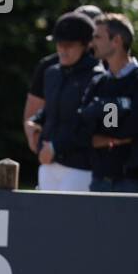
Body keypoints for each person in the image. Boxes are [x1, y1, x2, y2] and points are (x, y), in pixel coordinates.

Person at [78, 14, 138, 193]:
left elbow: (134, 127)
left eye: (98, 37)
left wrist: (105, 124)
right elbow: (82, 127)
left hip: (134, 180)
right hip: (100, 178)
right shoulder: (99, 82)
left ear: (116, 40)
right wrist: (113, 126)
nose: (92, 43)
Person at [25, 12, 101, 191]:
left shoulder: (98, 77)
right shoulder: (52, 73)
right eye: (59, 44)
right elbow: (50, 111)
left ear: (86, 45)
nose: (62, 50)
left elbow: (90, 124)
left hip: (80, 167)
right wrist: (33, 122)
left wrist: (56, 146)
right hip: (48, 163)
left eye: (69, 45)